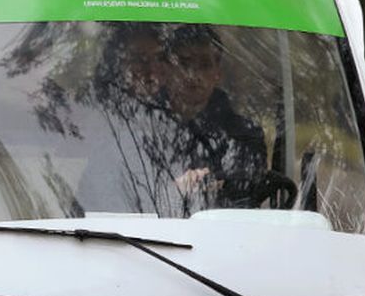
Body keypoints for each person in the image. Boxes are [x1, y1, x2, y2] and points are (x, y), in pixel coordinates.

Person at [83, 23, 266, 216]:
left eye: (204, 65)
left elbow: (246, 196)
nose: (193, 75)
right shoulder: (131, 127)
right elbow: (103, 197)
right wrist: (168, 192)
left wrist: (210, 183)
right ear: (166, 69)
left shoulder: (244, 135)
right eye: (185, 63)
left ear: (217, 73)